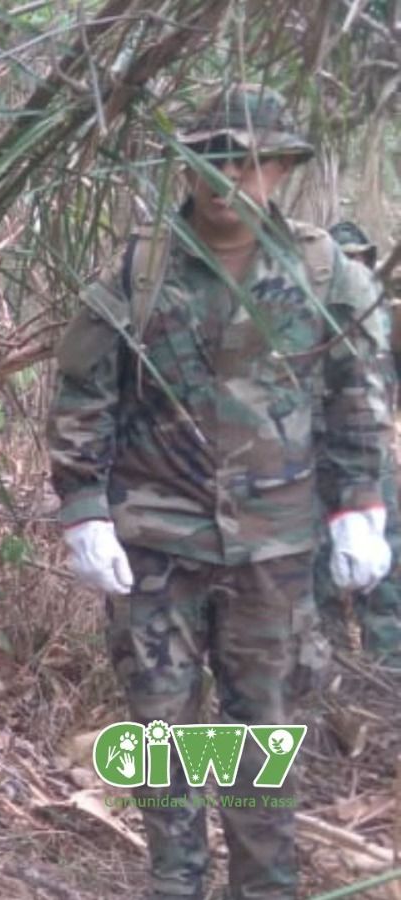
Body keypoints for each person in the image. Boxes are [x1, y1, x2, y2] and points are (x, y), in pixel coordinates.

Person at [47, 85, 392, 899]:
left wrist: (360, 506)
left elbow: (356, 393)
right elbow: (83, 393)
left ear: (280, 169)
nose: (229, 176)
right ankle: (177, 884)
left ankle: (264, 887)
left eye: (250, 160)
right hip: (155, 547)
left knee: (261, 735)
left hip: (277, 550)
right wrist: (84, 508)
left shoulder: (324, 272)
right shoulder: (138, 269)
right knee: (161, 732)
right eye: (213, 158)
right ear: (187, 166)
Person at [313, 220, 401, 665]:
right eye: (346, 259)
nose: (356, 267)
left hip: (372, 461)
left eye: (362, 258)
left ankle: (388, 664)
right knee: (318, 568)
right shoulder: (309, 314)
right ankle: (330, 669)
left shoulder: (383, 319)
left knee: (387, 564)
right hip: (312, 459)